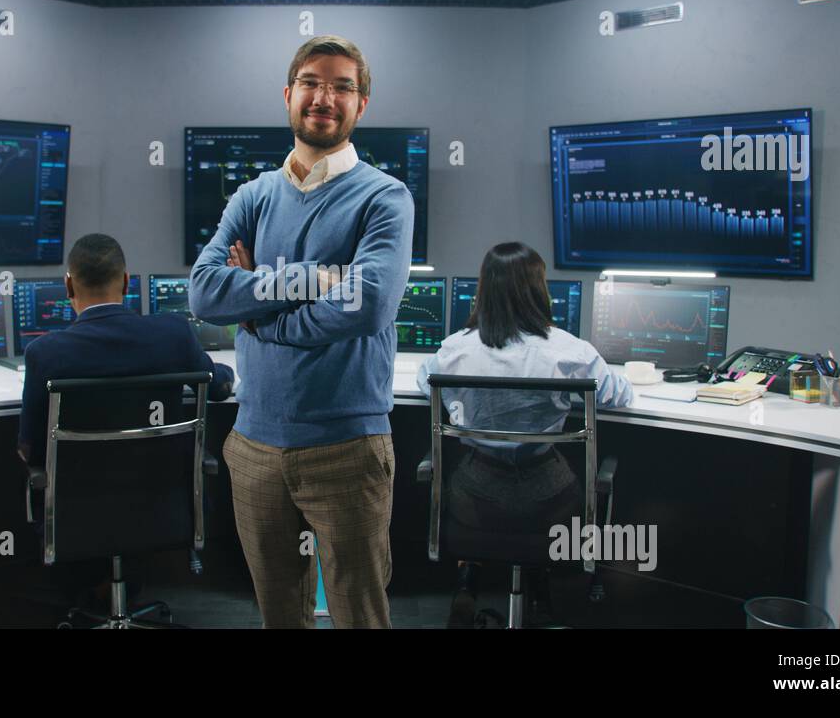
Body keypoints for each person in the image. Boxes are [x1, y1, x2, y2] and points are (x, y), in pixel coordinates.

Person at [189, 35, 414, 628]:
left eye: (343, 86)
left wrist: (259, 308)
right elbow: (205, 290)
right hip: (254, 444)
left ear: (361, 105)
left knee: (359, 613)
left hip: (348, 446)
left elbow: (367, 306)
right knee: (279, 615)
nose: (325, 97)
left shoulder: (385, 198)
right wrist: (316, 279)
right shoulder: (252, 196)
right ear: (289, 95)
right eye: (312, 82)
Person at [416, 242, 633, 627]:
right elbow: (619, 395)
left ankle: (470, 577)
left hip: (474, 498)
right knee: (555, 487)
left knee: (471, 474)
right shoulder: (569, 351)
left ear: (483, 290)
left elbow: (427, 382)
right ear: (539, 290)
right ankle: (540, 592)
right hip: (550, 502)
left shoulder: (455, 349)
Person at [17, 232, 234, 471]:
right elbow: (219, 389)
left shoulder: (44, 353)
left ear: (68, 285)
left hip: (78, 501)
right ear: (126, 282)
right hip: (163, 498)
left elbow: (30, 449)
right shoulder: (174, 334)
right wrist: (226, 371)